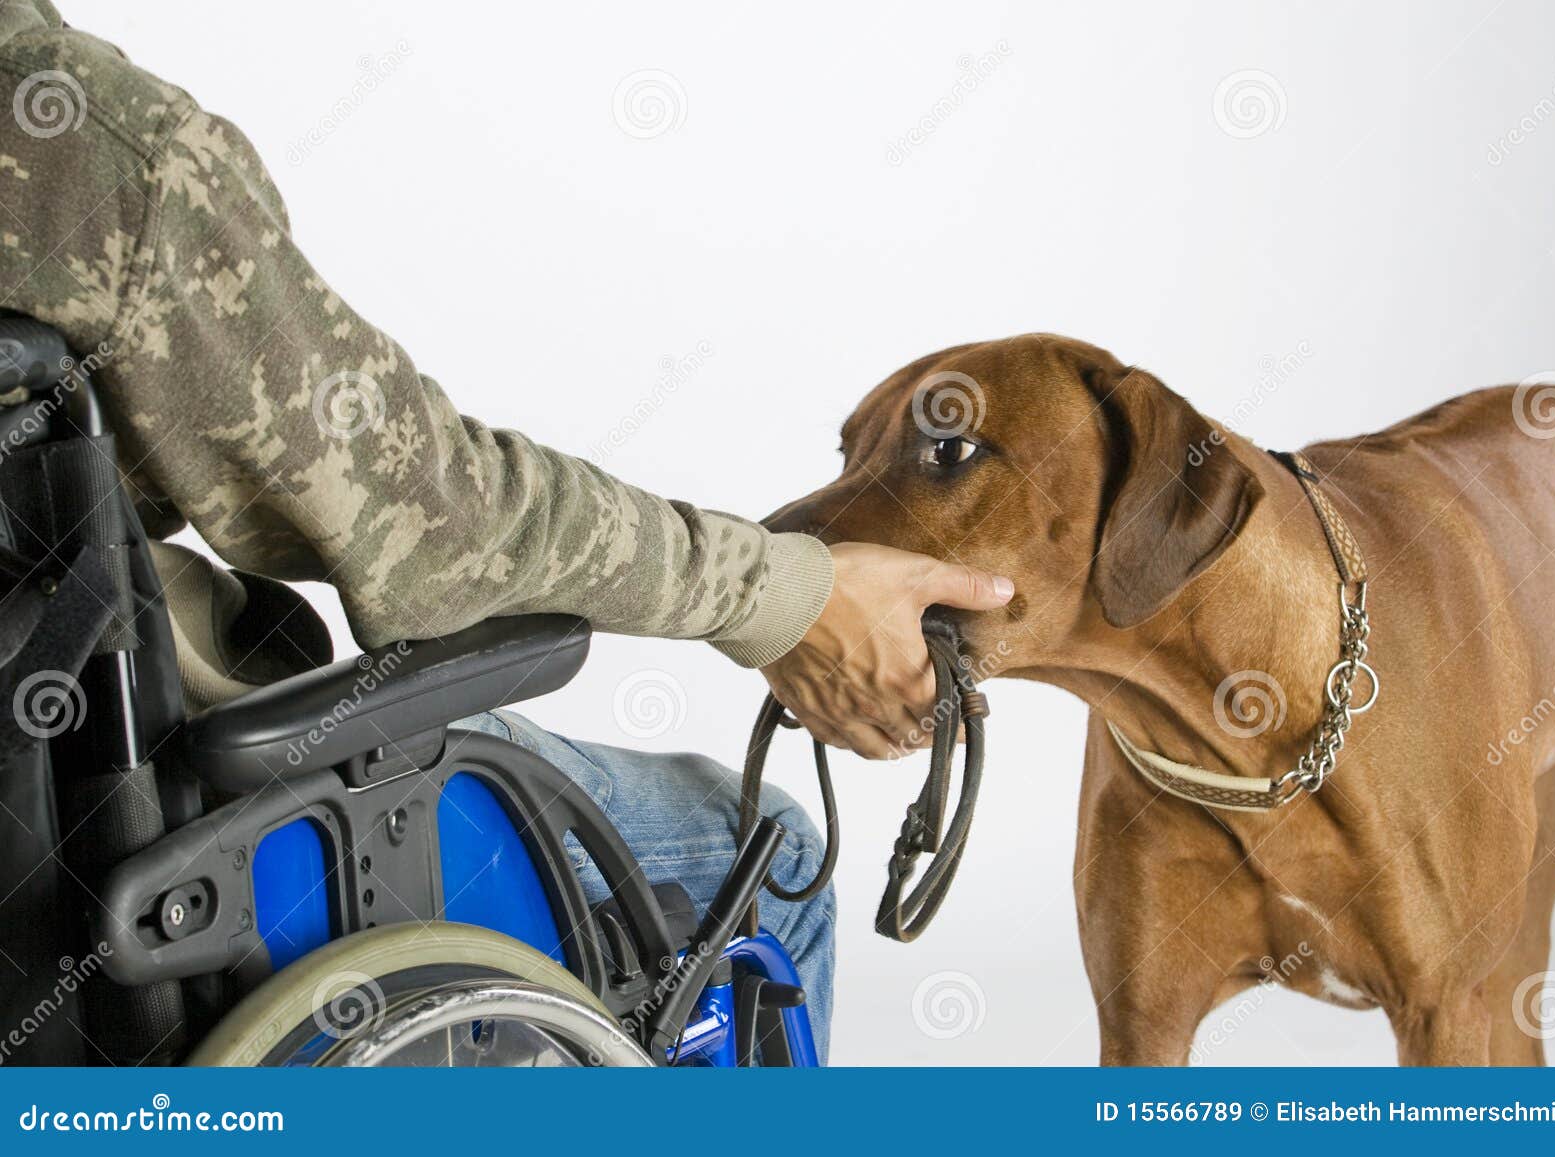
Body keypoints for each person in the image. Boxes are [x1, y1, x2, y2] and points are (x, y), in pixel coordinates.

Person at [0, 2, 1014, 1062]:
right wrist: (780, 596)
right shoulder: (83, 147)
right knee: (771, 862)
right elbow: (431, 525)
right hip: (129, 847)